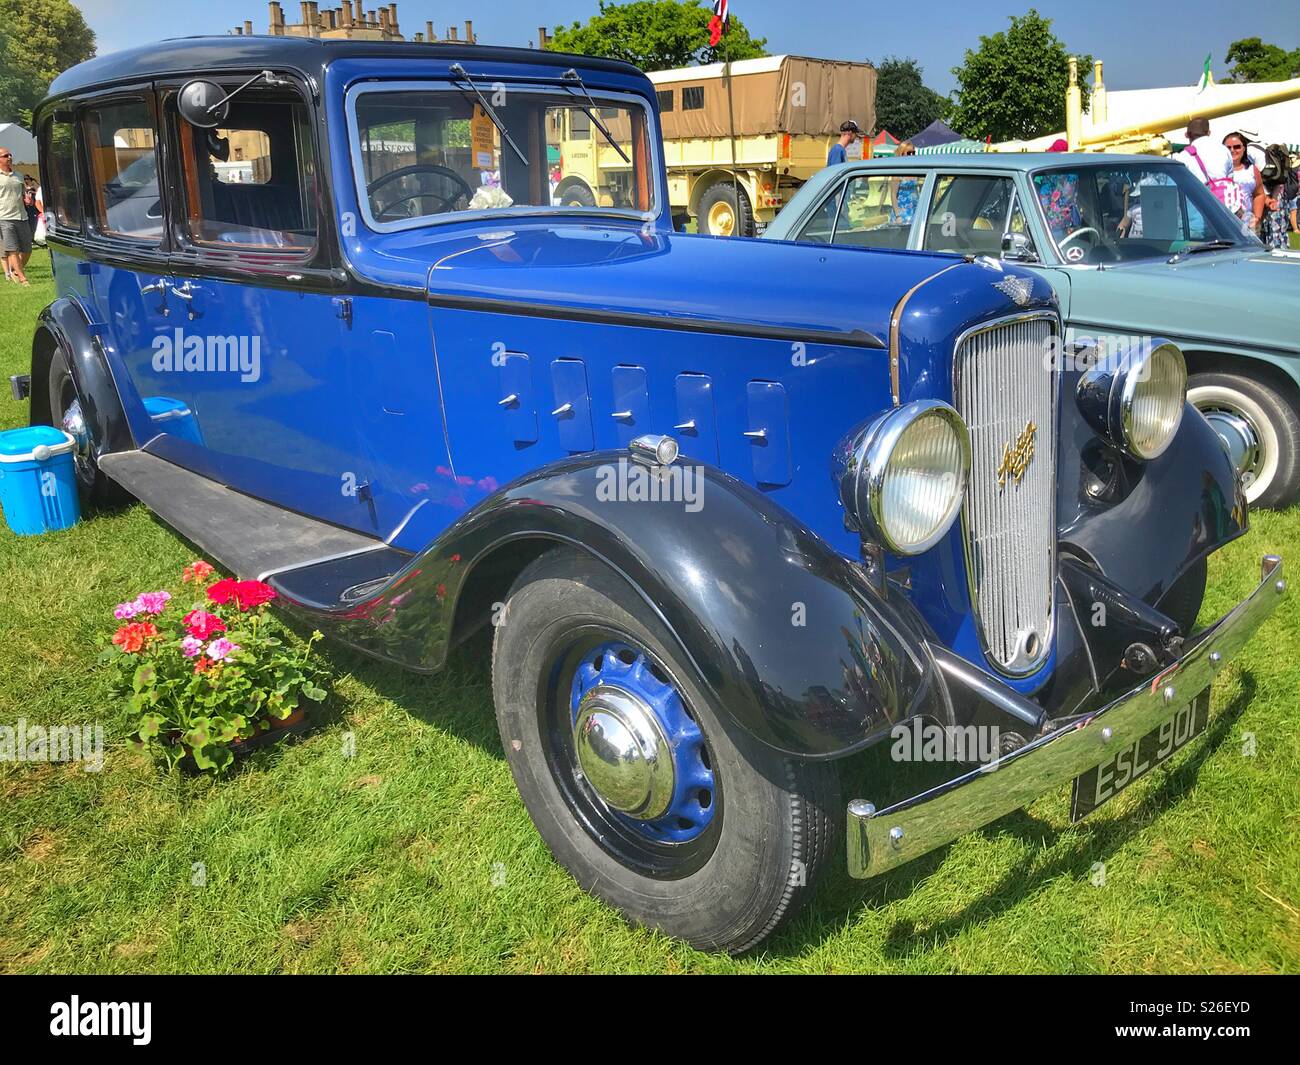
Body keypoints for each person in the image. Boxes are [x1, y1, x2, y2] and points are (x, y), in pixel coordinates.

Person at [0, 148, 31, 286]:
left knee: (27, 250)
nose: (9, 157)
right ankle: (23, 279)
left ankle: (14, 271)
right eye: (6, 156)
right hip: (4, 217)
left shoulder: (18, 175)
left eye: (10, 155)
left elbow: (24, 194)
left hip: (21, 216)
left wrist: (27, 199)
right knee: (12, 249)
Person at [1224, 131, 1265, 232]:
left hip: (1245, 224)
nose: (1232, 150)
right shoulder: (1217, 170)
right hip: (1222, 221)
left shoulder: (1252, 169)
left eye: (1237, 146)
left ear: (1244, 148)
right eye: (1228, 148)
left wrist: (1257, 217)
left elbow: (1259, 194)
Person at [1176, 117, 1233, 187]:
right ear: (1209, 133)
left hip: (1199, 196)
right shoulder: (1224, 150)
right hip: (1223, 196)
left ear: (1187, 135)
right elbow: (1230, 179)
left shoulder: (1184, 155)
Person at [890, 141, 921, 224]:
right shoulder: (897, 172)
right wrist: (897, 216)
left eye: (913, 153)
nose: (912, 155)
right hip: (902, 212)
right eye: (909, 153)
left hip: (914, 210)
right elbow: (893, 194)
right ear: (902, 154)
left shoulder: (915, 171)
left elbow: (916, 191)